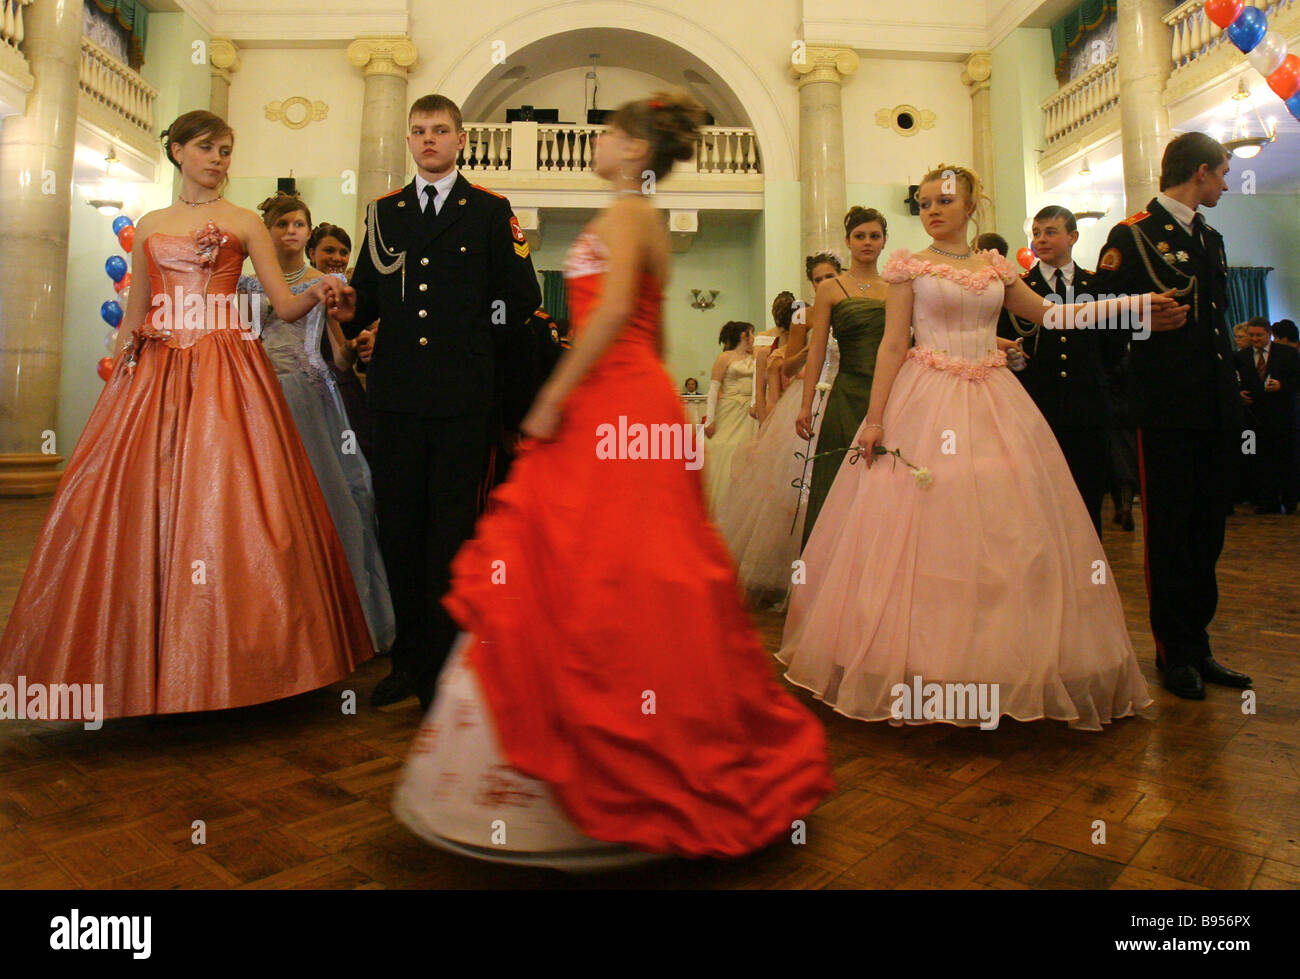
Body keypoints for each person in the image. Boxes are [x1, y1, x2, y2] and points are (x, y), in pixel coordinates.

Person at [392, 91, 831, 866]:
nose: (598, 142)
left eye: (612, 133)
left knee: (595, 560)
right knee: (617, 559)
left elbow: (612, 311)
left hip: (611, 397)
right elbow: (653, 332)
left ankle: (605, 754)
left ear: (635, 150)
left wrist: (557, 397)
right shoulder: (643, 218)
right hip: (634, 391)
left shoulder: (631, 213)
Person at [777, 163, 1184, 730]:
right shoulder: (908, 267)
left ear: (972, 206)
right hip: (928, 397)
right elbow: (895, 343)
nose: (932, 210)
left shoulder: (995, 266)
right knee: (926, 526)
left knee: (1004, 524)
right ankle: (919, 665)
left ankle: (1003, 661)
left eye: (944, 200)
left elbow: (1050, 315)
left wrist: (1132, 307)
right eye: (922, 203)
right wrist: (874, 419)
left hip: (994, 398)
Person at [0, 110, 374, 717]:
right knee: (137, 499)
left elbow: (280, 305)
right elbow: (134, 313)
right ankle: (134, 665)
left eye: (226, 150)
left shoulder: (244, 221)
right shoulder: (151, 223)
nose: (218, 159)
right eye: (207, 148)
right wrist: (118, 382)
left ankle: (240, 666)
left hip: (229, 369)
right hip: (155, 372)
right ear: (176, 151)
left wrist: (322, 291)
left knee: (229, 497)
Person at [333, 94, 543, 711]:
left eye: (440, 131)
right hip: (397, 399)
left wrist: (482, 362)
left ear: (460, 141)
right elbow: (368, 297)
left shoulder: (489, 211)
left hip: (461, 400)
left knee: (452, 535)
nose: (429, 140)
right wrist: (350, 309)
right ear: (409, 140)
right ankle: (408, 662)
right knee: (398, 529)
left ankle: (446, 672)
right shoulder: (383, 213)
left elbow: (520, 296)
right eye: (419, 131)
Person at [1091, 132, 1252, 699]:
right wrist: (1139, 320)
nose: (1228, 184)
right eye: (1223, 173)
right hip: (1164, 409)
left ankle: (1200, 644)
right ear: (1201, 172)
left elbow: (1215, 321)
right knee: (1169, 531)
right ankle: (1173, 652)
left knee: (1208, 529)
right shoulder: (1132, 234)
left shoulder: (1209, 236)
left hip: (1213, 405)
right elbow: (1096, 320)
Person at [240, 192, 395, 651]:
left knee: (342, 497)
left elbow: (338, 356)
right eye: (282, 223)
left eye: (299, 224)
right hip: (259, 398)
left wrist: (359, 346)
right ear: (266, 231)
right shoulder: (247, 285)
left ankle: (336, 622)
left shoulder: (324, 282)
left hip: (313, 397)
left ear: (308, 233)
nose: (291, 231)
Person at [1004, 205, 1123, 536]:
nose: (1041, 240)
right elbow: (1004, 340)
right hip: (1037, 405)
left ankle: (1089, 574)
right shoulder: (1019, 288)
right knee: (1039, 495)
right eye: (1037, 233)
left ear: (1073, 236)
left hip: (1089, 407)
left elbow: (1113, 345)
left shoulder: (1097, 286)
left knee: (1087, 495)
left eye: (1050, 232)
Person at [795, 206, 889, 548]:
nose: (867, 242)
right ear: (848, 241)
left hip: (891, 394)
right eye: (860, 236)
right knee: (838, 477)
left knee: (884, 477)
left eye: (874, 236)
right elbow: (817, 348)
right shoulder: (831, 288)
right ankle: (829, 565)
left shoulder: (897, 285)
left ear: (883, 242)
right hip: (847, 392)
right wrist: (806, 405)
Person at [307, 222, 373, 462]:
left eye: (343, 252)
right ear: (312, 253)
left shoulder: (354, 290)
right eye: (329, 250)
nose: (337, 257)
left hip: (344, 383)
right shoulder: (297, 291)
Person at [1236, 317, 1300, 513]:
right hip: (1253, 420)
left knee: (1287, 460)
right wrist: (1238, 395)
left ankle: (1290, 502)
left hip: (1283, 417)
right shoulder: (1240, 357)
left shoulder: (1288, 354)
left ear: (1269, 335)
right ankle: (1266, 501)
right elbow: (1232, 382)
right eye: (1252, 335)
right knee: (1258, 460)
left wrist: (1283, 386)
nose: (1255, 339)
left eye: (1259, 335)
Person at [701, 320, 757, 516]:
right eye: (752, 334)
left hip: (750, 410)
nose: (754, 338)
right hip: (730, 408)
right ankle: (721, 502)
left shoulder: (757, 356)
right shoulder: (725, 357)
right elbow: (713, 389)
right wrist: (710, 419)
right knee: (724, 448)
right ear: (744, 335)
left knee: (748, 452)